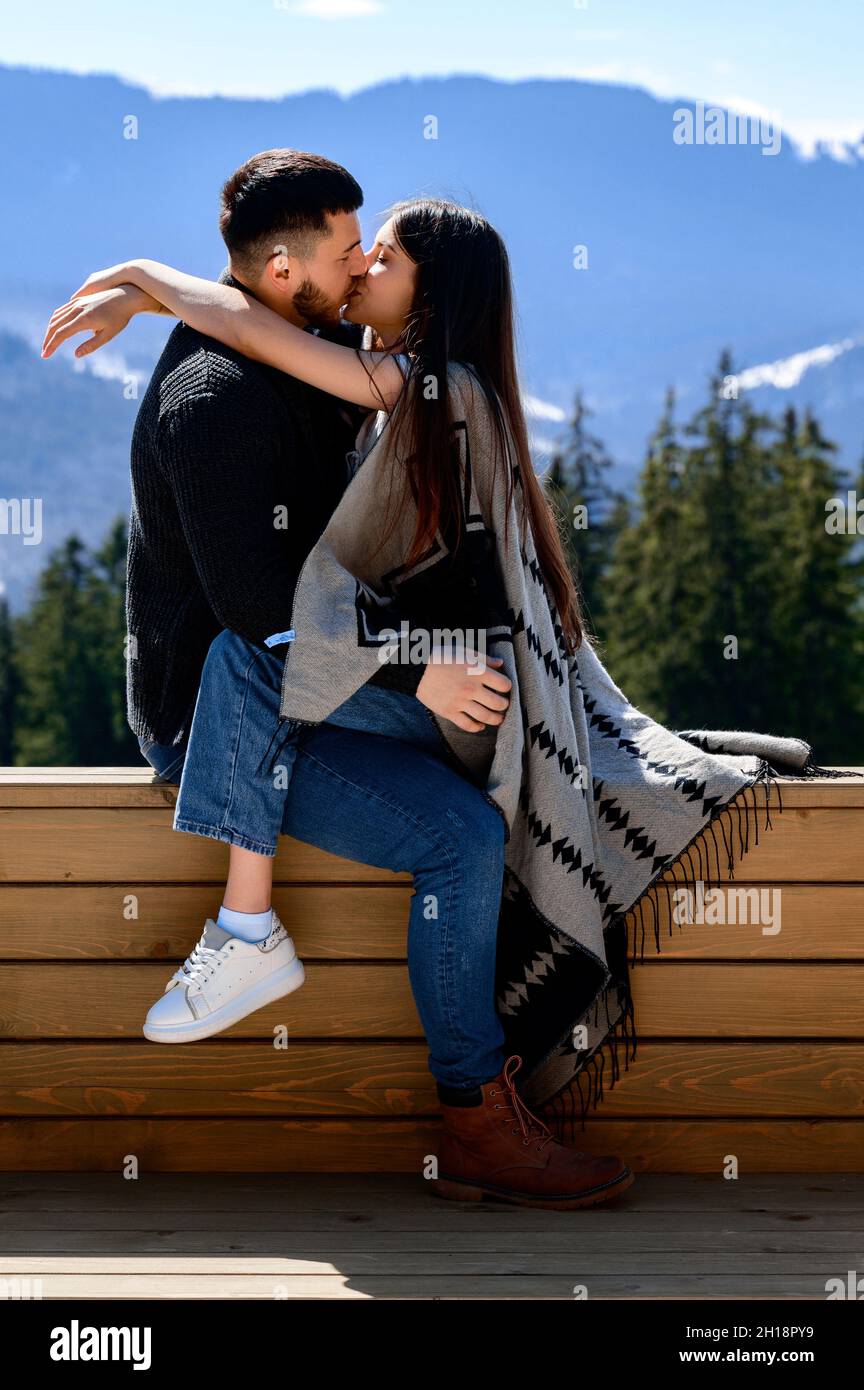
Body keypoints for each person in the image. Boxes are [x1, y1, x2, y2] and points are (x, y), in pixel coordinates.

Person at [41, 161, 635, 1210]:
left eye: (381, 252)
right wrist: (421, 675)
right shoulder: (214, 401)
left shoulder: (352, 361)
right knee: (243, 660)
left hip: (328, 676)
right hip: (223, 713)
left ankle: (475, 1120)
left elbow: (255, 315)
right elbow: (262, 628)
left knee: (464, 832)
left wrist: (144, 277)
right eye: (351, 250)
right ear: (285, 268)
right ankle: (244, 935)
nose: (363, 263)